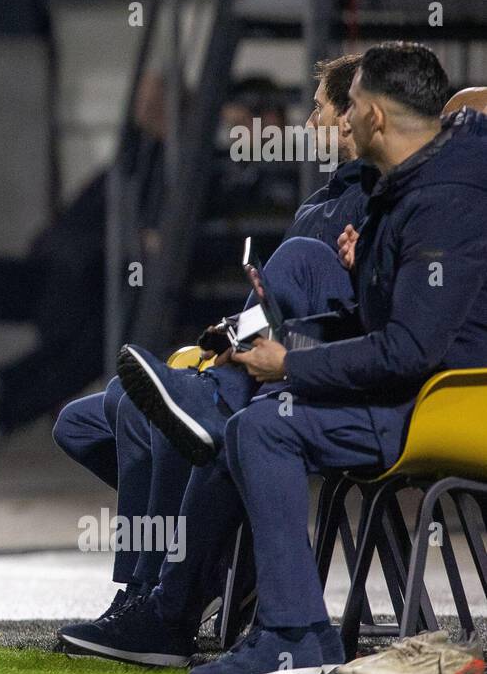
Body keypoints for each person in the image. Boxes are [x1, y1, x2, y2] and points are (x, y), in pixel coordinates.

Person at [84, 44, 487, 674]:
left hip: (441, 397)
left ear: (376, 117)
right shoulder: (409, 184)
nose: (337, 122)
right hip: (409, 381)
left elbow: (410, 350)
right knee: (251, 416)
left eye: (348, 106)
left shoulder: (443, 196)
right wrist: (362, 273)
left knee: (259, 426)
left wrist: (292, 366)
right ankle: (219, 612)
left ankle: (286, 632)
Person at [54, 55, 364, 617]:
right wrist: (230, 333)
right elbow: (272, 301)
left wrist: (263, 351)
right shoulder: (319, 202)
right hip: (255, 359)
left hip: (297, 376)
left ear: (351, 117)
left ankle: (156, 593)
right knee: (83, 421)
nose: (309, 123)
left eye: (318, 109)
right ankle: (202, 558)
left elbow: (345, 320)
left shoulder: (375, 201)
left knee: (167, 422)